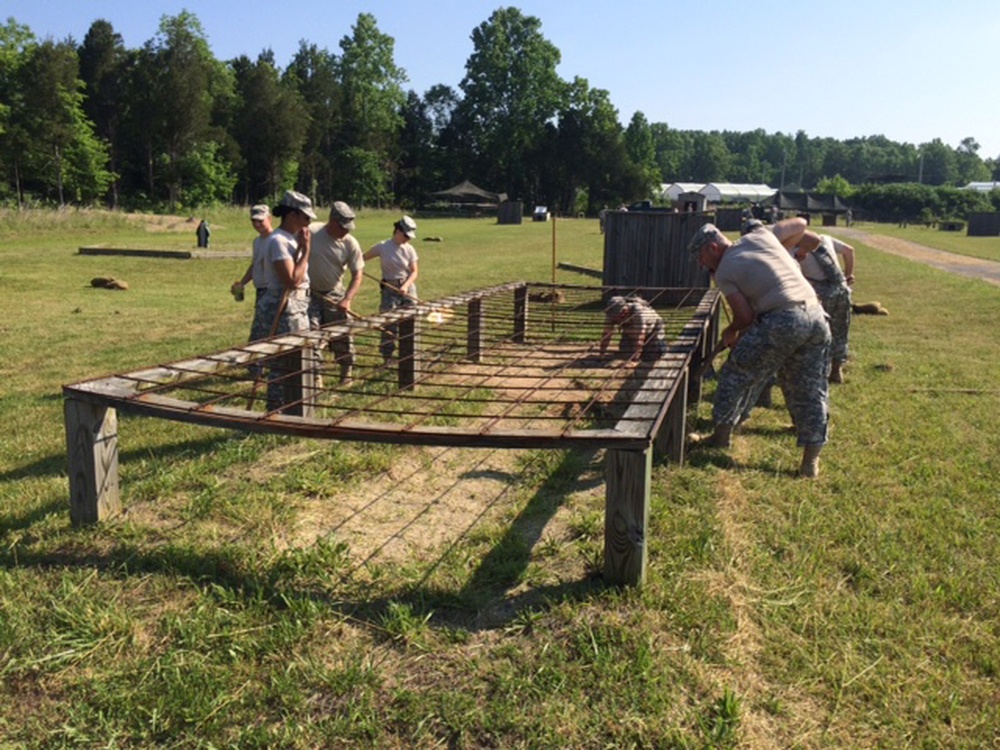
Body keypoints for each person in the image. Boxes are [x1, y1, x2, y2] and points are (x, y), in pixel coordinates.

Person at [687, 221, 831, 478]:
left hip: (783, 318)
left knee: (736, 372)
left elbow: (744, 317)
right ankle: (810, 462)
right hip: (817, 317)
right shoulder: (762, 234)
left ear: (713, 247)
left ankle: (720, 436)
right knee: (809, 387)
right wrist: (781, 245)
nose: (701, 264)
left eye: (701, 257)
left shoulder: (724, 271)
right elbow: (801, 224)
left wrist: (730, 332)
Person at [260, 190, 315, 411]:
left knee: (298, 359)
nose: (308, 223)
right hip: (285, 308)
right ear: (292, 215)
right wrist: (306, 251)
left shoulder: (291, 239)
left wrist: (301, 248)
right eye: (306, 218)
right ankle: (277, 409)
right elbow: (292, 280)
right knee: (284, 362)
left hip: (297, 305)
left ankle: (295, 406)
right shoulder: (278, 241)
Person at [307, 201, 364, 384]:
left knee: (342, 334)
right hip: (309, 294)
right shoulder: (311, 232)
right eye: (342, 227)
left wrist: (347, 299)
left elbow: (357, 274)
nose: (346, 231)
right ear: (332, 221)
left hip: (334, 294)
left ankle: (346, 371)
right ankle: (316, 375)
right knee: (311, 335)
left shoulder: (350, 244)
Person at [791, 232, 855, 383]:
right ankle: (836, 369)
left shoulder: (793, 247)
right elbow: (849, 250)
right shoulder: (824, 238)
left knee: (816, 333)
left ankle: (815, 370)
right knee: (840, 330)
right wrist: (848, 275)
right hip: (841, 288)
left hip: (819, 291)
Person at [363, 216, 419, 364]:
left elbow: (414, 272)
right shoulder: (383, 246)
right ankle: (387, 358)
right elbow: (362, 258)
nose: (408, 239)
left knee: (411, 321)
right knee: (388, 324)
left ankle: (410, 356)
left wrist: (406, 286)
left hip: (407, 288)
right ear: (398, 231)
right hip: (389, 289)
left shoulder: (409, 249)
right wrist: (356, 267)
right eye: (406, 235)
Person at [231, 204, 274, 344]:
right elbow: (255, 265)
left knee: (264, 334)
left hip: (273, 291)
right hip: (260, 291)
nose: (256, 224)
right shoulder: (257, 241)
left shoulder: (276, 240)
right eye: (253, 221)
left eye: (260, 221)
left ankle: (258, 364)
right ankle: (258, 364)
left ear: (270, 219)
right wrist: (242, 283)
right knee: (261, 332)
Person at [599, 295, 667, 362]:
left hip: (652, 329)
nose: (615, 317)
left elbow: (640, 337)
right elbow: (606, 335)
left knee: (652, 356)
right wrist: (602, 354)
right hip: (631, 331)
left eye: (617, 314)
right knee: (625, 353)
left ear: (624, 310)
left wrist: (635, 359)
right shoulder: (611, 315)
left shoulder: (638, 313)